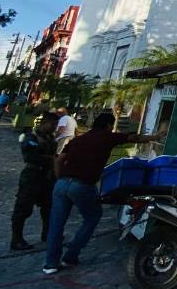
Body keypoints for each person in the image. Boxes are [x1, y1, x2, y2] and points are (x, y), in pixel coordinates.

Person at [43, 112, 160, 274]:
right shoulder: (107, 137)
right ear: (108, 126)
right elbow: (135, 138)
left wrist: (59, 178)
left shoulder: (79, 139)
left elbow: (59, 159)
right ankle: (71, 255)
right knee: (92, 217)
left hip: (62, 184)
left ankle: (50, 264)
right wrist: (157, 136)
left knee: (56, 224)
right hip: (83, 185)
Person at [11, 112, 59, 250]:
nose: (55, 127)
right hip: (32, 175)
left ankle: (47, 233)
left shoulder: (50, 138)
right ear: (45, 123)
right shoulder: (30, 137)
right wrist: (52, 159)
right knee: (23, 208)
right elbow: (30, 156)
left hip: (47, 176)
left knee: (48, 207)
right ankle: (17, 239)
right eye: (53, 124)